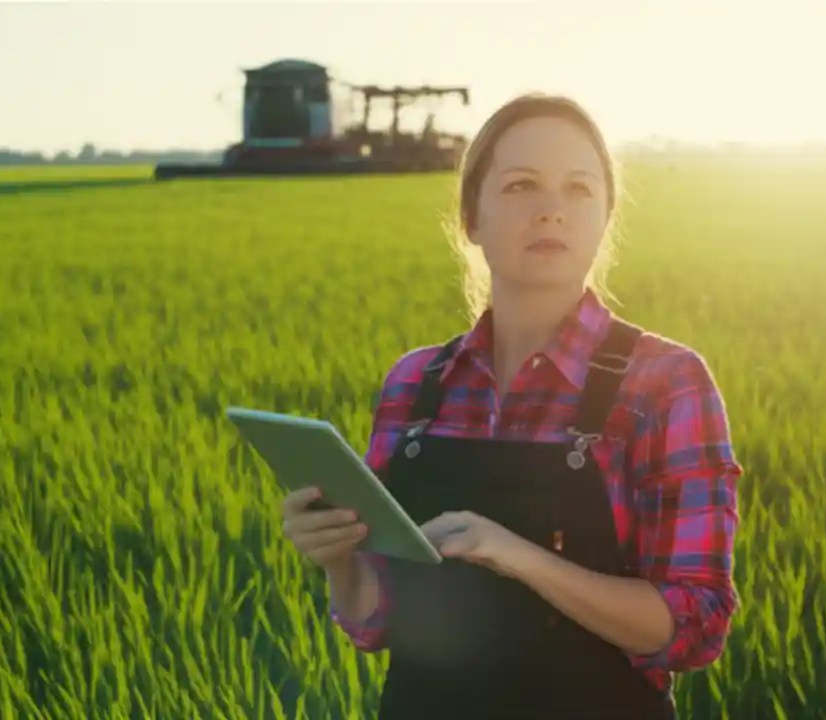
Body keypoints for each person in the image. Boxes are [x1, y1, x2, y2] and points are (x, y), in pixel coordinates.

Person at [281, 92, 742, 719]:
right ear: (472, 217)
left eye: (579, 189)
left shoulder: (664, 382)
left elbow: (695, 625)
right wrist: (339, 561)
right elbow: (379, 618)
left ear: (606, 216)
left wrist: (516, 555)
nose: (553, 211)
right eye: (523, 185)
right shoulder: (415, 384)